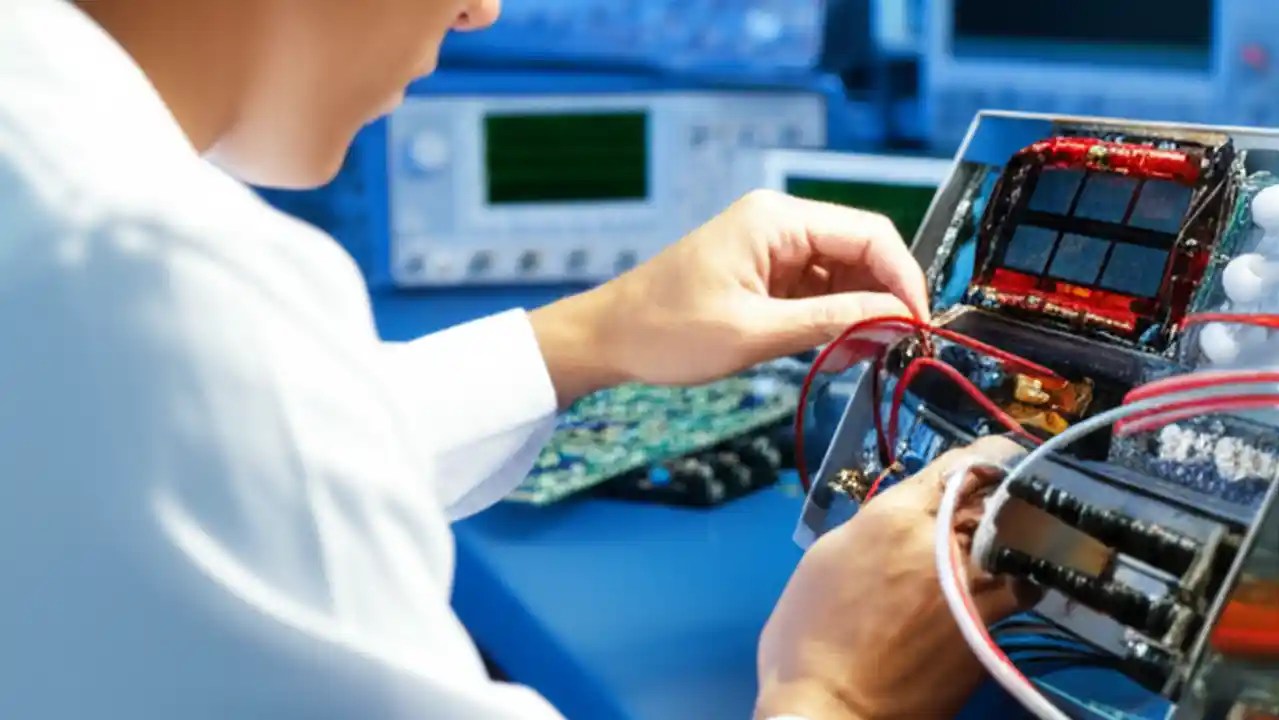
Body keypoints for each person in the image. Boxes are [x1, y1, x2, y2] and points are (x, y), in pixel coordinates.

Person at [0, 0, 1025, 717]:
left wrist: (596, 333)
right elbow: (230, 407)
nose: (481, 11)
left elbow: (232, 459)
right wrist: (834, 697)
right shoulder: (154, 282)